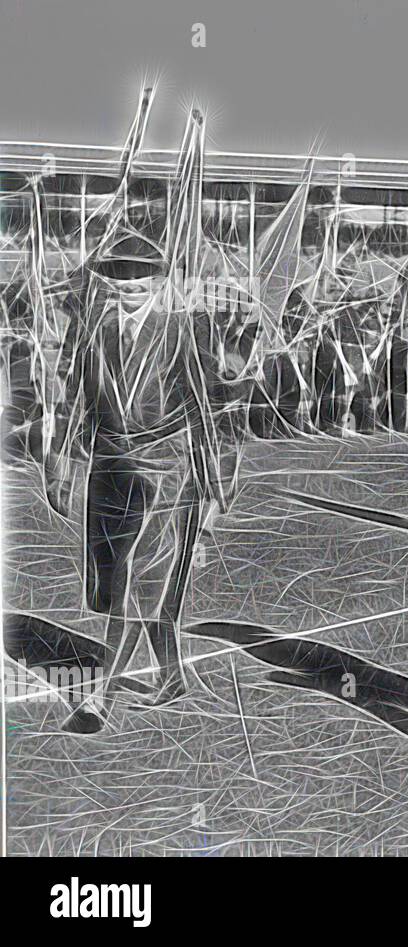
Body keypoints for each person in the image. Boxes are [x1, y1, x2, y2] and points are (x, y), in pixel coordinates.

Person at [43, 114, 237, 734]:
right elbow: (75, 398)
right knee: (115, 579)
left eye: (138, 275)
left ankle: (98, 695)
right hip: (108, 466)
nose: (127, 285)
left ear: (156, 279)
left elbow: (203, 407)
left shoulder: (182, 327)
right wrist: (60, 463)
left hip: (167, 467)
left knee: (137, 580)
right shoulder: (95, 328)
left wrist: (209, 484)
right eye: (116, 275)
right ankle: (172, 671)